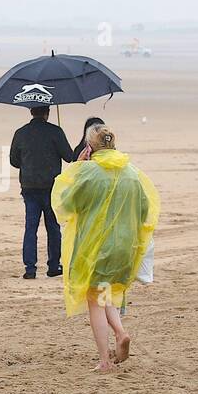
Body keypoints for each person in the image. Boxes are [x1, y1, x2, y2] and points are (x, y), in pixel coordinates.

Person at [52, 125, 160, 372]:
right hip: (124, 247)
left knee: (94, 301)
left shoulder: (88, 173)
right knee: (105, 293)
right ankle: (121, 333)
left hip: (95, 248)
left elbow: (65, 205)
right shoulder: (132, 173)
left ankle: (104, 360)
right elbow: (144, 210)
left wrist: (75, 170)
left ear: (89, 148)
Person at [9, 105, 74, 279]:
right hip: (51, 187)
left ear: (31, 111)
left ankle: (30, 268)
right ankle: (53, 265)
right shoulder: (55, 131)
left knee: (30, 227)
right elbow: (69, 156)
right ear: (48, 112)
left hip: (29, 186)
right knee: (53, 227)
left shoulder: (21, 133)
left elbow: (14, 161)